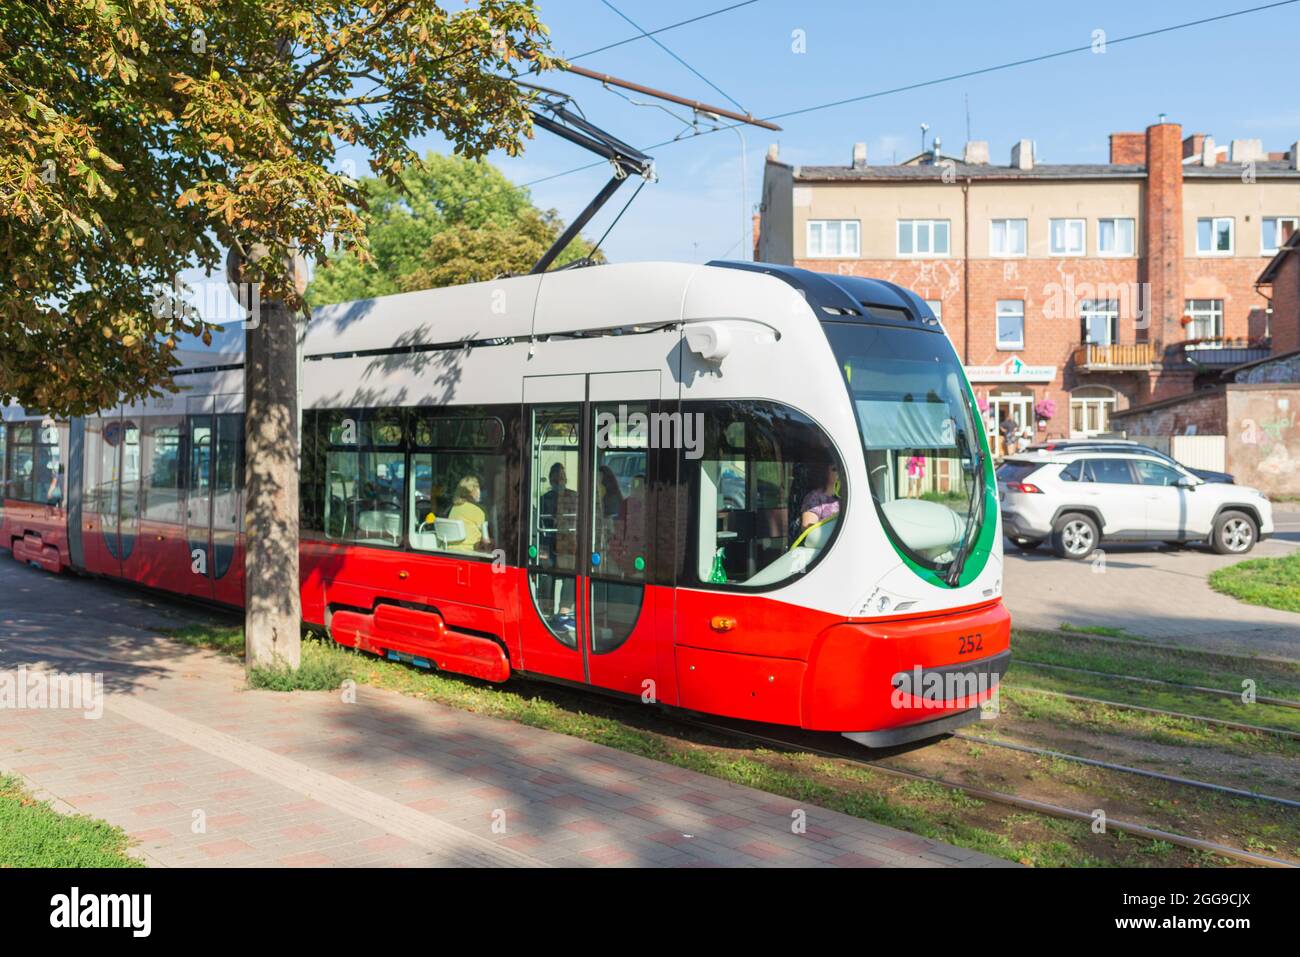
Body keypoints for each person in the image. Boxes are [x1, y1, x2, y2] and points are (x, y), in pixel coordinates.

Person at [447, 475, 490, 553]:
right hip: (471, 553)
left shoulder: (453, 508)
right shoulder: (479, 510)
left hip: (451, 551)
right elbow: (486, 540)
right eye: (479, 488)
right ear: (474, 490)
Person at [800, 461, 841, 530]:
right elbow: (808, 530)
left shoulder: (844, 495)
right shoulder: (814, 497)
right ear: (825, 472)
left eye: (841, 469)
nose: (839, 473)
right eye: (834, 469)